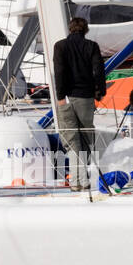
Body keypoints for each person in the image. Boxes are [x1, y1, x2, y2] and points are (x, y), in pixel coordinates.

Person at [52, 16, 106, 190]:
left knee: (70, 139)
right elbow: (99, 71)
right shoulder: (92, 46)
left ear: (70, 29)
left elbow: (59, 72)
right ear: (86, 30)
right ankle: (82, 181)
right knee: (84, 139)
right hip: (86, 97)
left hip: (66, 97)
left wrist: (60, 97)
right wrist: (100, 93)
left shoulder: (60, 46)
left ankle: (76, 181)